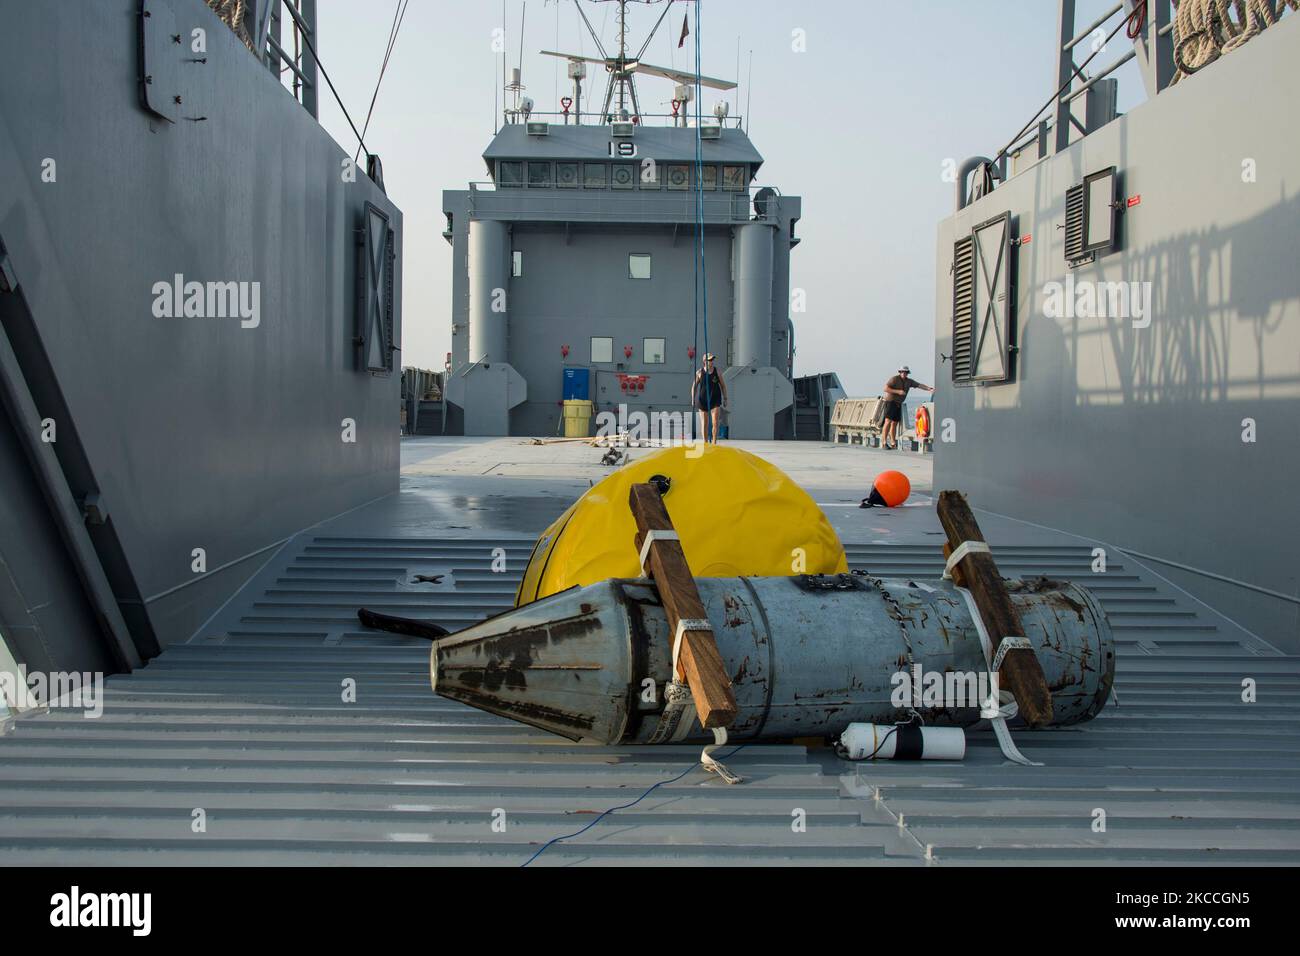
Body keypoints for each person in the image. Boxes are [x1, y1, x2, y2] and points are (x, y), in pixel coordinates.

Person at [880, 365, 934, 450]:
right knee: (888, 421)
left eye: (905, 372)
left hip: (899, 404)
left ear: (907, 373)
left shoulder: (909, 381)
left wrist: (929, 389)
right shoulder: (894, 379)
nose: (904, 373)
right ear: (900, 372)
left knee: (894, 423)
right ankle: (884, 443)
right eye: (902, 371)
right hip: (890, 402)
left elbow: (919, 385)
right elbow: (886, 388)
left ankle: (893, 442)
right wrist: (898, 392)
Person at [693, 352, 727, 443]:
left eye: (712, 360)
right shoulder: (699, 372)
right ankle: (705, 442)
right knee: (704, 423)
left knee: (715, 423)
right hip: (703, 400)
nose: (712, 361)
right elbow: (694, 387)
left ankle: (714, 442)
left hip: (715, 399)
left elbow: (723, 386)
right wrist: (693, 399)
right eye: (710, 360)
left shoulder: (717, 372)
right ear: (704, 361)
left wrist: (725, 398)